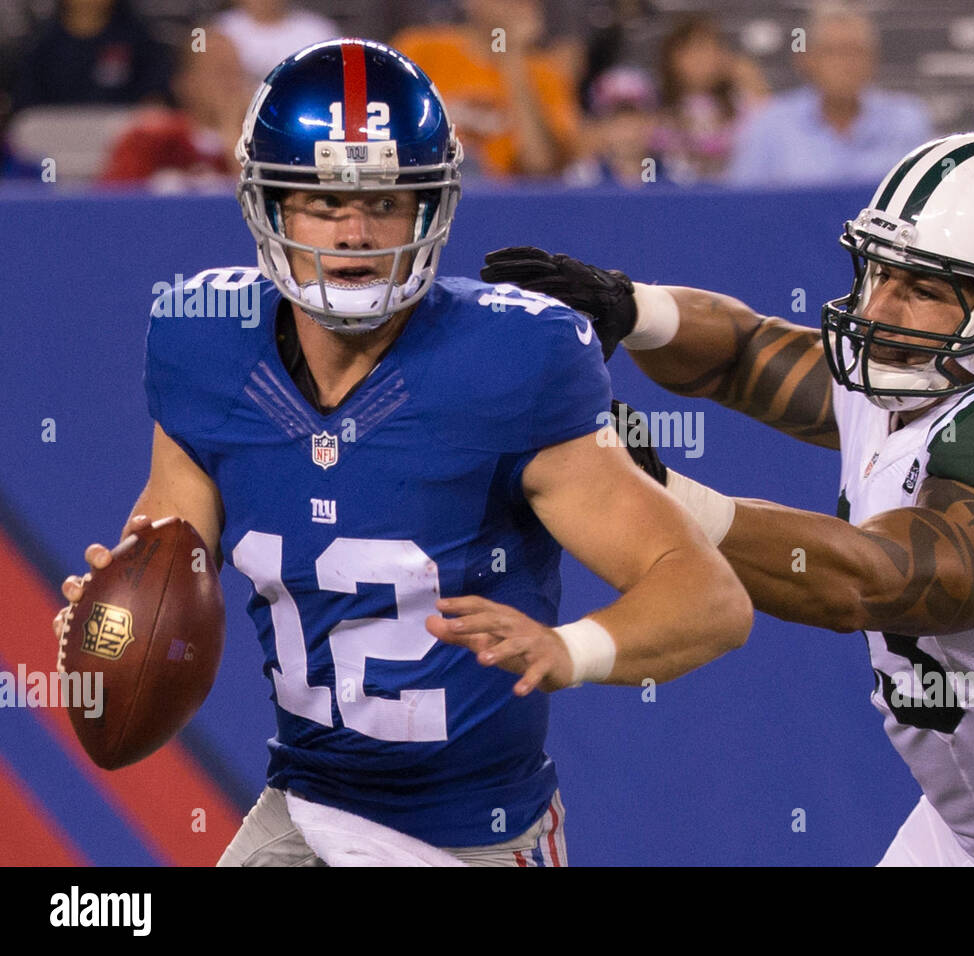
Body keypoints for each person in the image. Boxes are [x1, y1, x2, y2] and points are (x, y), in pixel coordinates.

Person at [51, 39, 751, 867]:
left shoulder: (510, 362)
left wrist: (571, 648)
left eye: (385, 202)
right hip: (305, 802)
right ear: (268, 206)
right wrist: (121, 595)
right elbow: (173, 536)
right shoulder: (201, 341)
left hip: (473, 833)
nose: (354, 231)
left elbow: (709, 595)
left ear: (432, 209)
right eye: (321, 202)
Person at [481, 131, 974, 865]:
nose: (878, 309)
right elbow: (743, 352)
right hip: (970, 837)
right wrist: (633, 307)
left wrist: (669, 496)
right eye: (879, 272)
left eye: (921, 289)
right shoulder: (923, 371)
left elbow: (887, 581)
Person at [727, 2, 931, 187]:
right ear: (808, 59)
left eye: (855, 52)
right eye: (832, 52)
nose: (845, 65)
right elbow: (744, 204)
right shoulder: (771, 124)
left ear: (873, 59)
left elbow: (926, 199)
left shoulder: (906, 119)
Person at [392, 0, 580, 179]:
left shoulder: (544, 73)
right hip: (428, 188)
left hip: (502, 203)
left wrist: (512, 57)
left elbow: (540, 167)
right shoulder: (422, 50)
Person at [99, 29, 251, 188]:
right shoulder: (149, 138)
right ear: (184, 82)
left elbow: (260, 204)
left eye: (236, 71)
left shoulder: (260, 144)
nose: (230, 82)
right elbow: (113, 202)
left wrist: (232, 133)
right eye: (219, 71)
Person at [655, 14, 767, 182]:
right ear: (672, 57)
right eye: (694, 49)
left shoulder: (743, 103)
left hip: (735, 198)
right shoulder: (652, 105)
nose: (704, 58)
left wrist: (750, 79)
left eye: (712, 48)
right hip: (671, 199)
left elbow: (774, 134)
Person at [8, 0, 172, 112]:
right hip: (54, 146)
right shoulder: (39, 46)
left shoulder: (141, 41)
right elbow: (26, 110)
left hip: (122, 145)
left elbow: (154, 101)